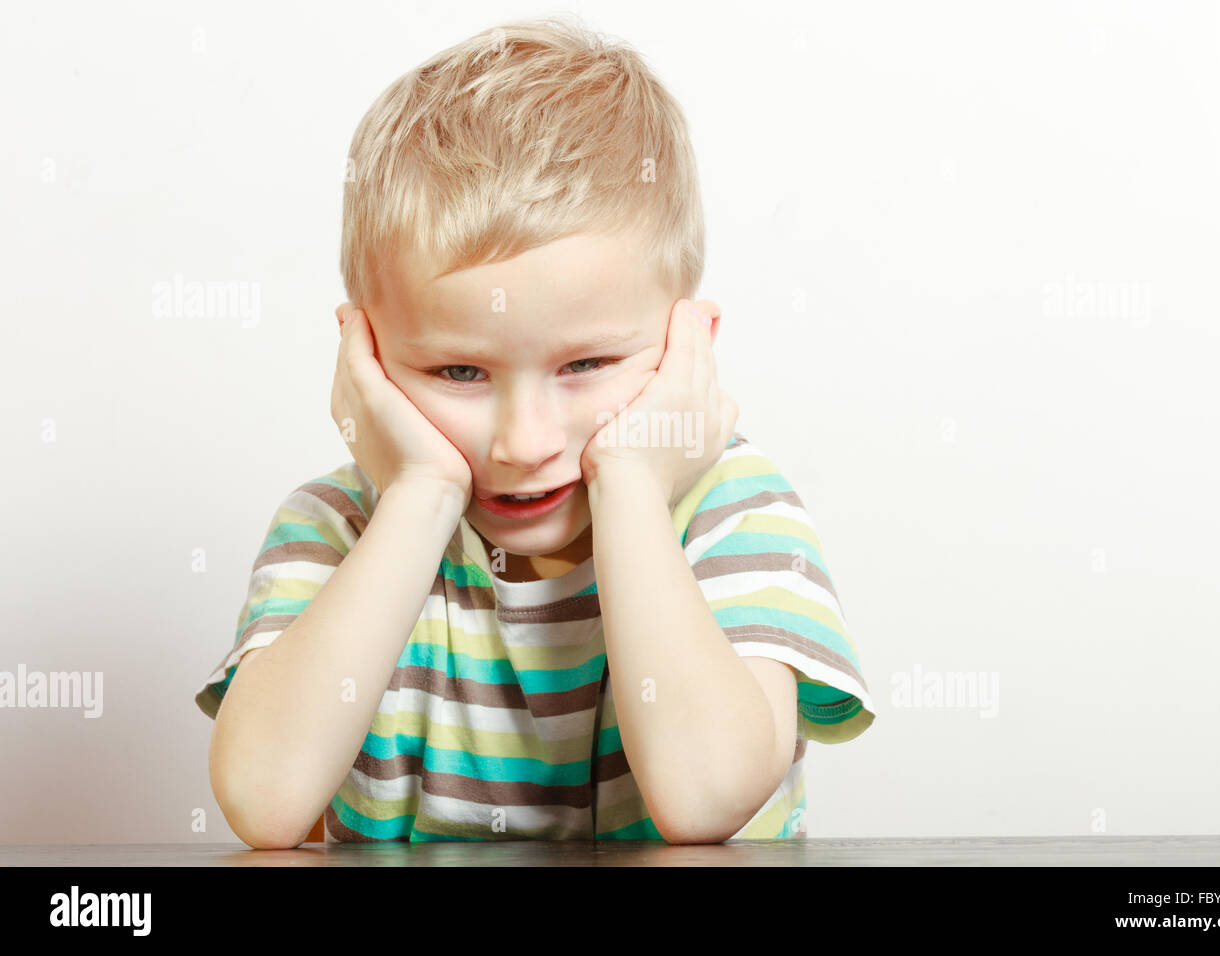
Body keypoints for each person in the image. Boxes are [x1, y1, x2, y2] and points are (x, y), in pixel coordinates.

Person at [195, 15, 874, 847]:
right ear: (364, 355)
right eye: (460, 372)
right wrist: (420, 492)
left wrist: (628, 479)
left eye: (585, 364)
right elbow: (263, 803)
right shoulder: (337, 531)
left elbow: (704, 799)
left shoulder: (735, 512)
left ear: (686, 347)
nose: (524, 441)